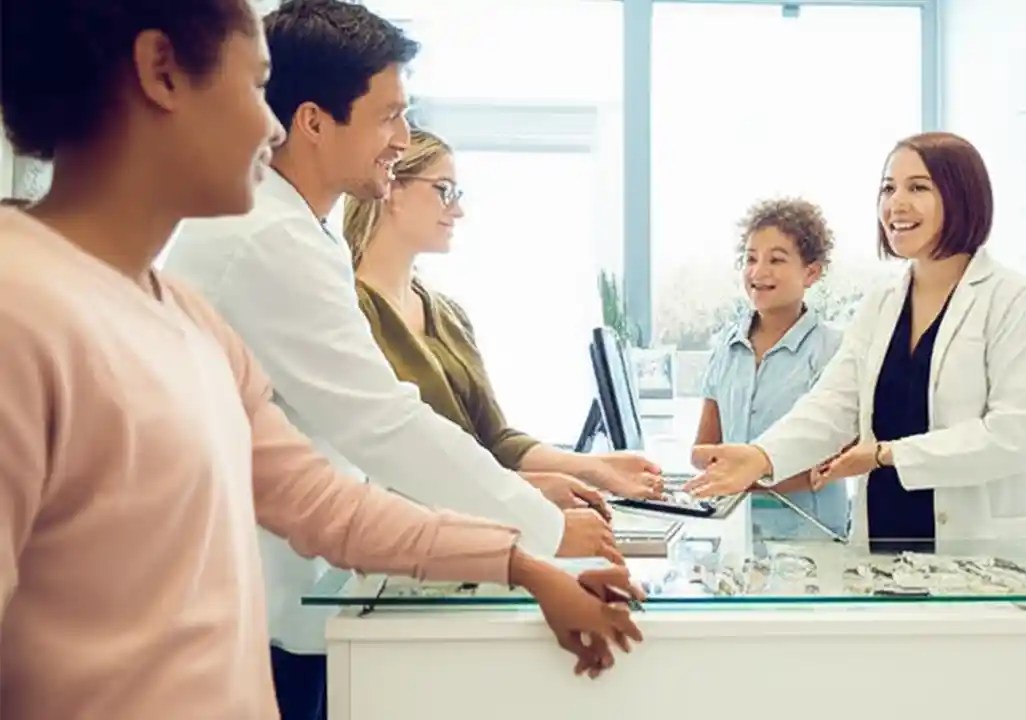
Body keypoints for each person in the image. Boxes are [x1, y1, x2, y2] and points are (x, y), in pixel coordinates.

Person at [0, 1, 642, 718]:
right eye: (254, 88)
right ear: (161, 73)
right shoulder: (22, 311)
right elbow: (379, 429)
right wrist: (534, 538)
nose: (271, 126)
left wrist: (522, 562)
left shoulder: (182, 315)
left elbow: (322, 502)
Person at [687, 132, 1026, 552]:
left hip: (977, 550)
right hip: (881, 544)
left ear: (961, 196)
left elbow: (1014, 436)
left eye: (917, 187)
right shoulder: (881, 303)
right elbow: (833, 404)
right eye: (888, 188)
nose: (895, 204)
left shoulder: (1011, 299)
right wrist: (762, 457)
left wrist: (886, 454)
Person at [342, 128, 665, 503]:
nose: (458, 209)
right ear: (392, 189)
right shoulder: (349, 311)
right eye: (444, 190)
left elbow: (494, 439)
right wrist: (529, 490)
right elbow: (388, 458)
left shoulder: (447, 314)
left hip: (477, 522)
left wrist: (594, 468)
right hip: (410, 533)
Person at [695, 198, 847, 540]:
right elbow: (703, 448)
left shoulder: (834, 350)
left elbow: (835, 465)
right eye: (750, 259)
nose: (758, 272)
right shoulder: (726, 347)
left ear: (811, 272)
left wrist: (746, 475)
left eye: (776, 259)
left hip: (811, 539)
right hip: (737, 535)